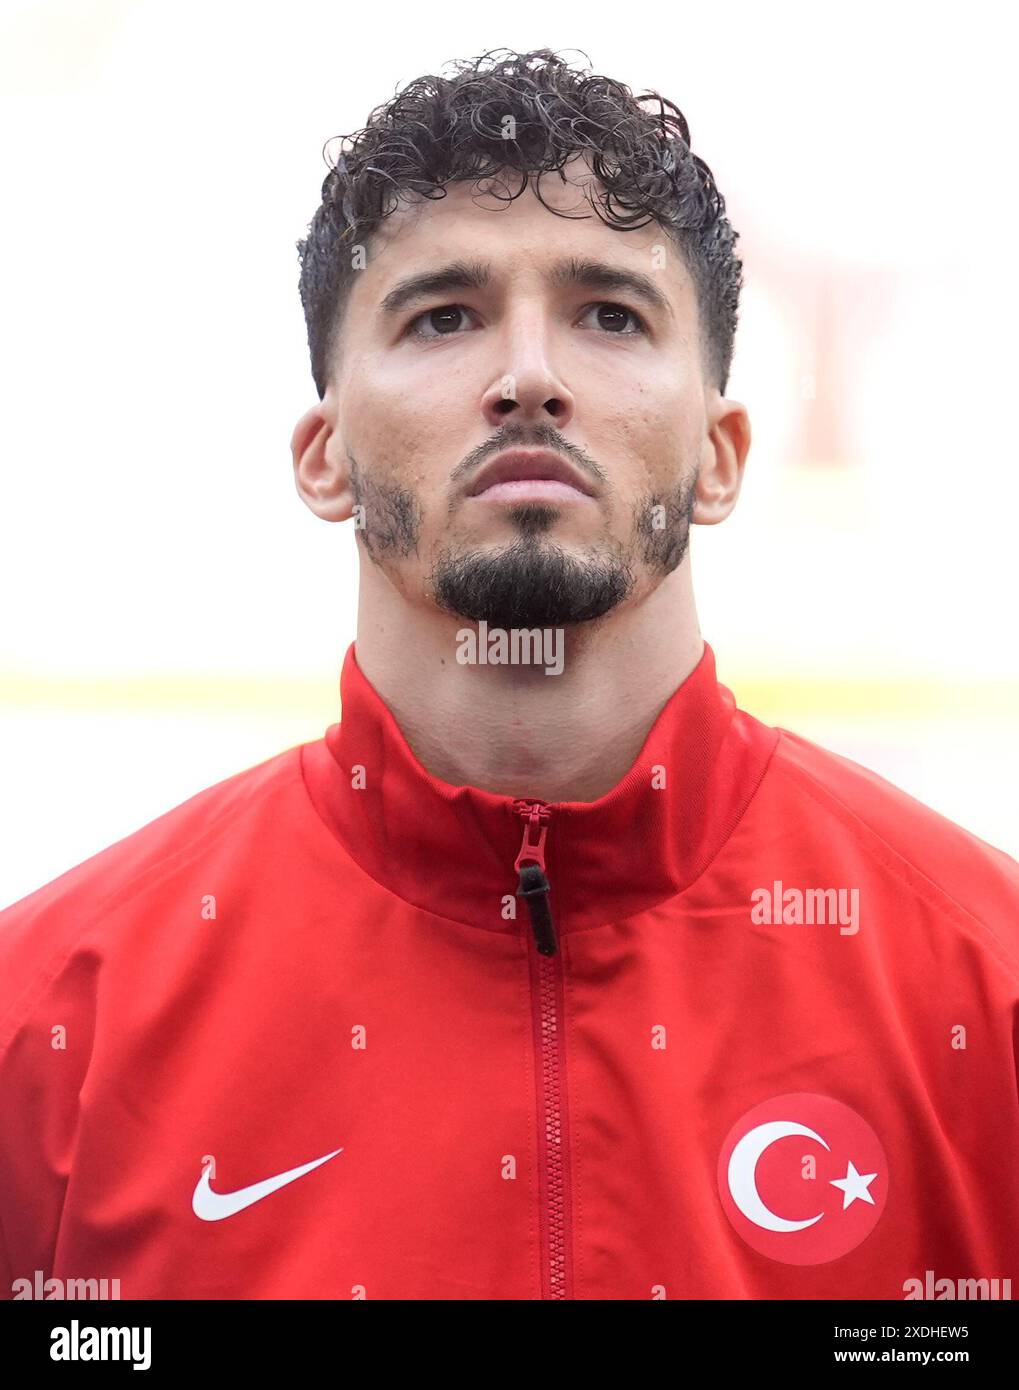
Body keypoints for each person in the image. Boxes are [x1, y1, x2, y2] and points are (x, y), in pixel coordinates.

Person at [1, 47, 1017, 1302]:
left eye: (608, 314)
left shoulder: (987, 987)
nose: (527, 375)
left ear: (719, 452)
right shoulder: (47, 1023)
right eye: (443, 315)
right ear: (322, 456)